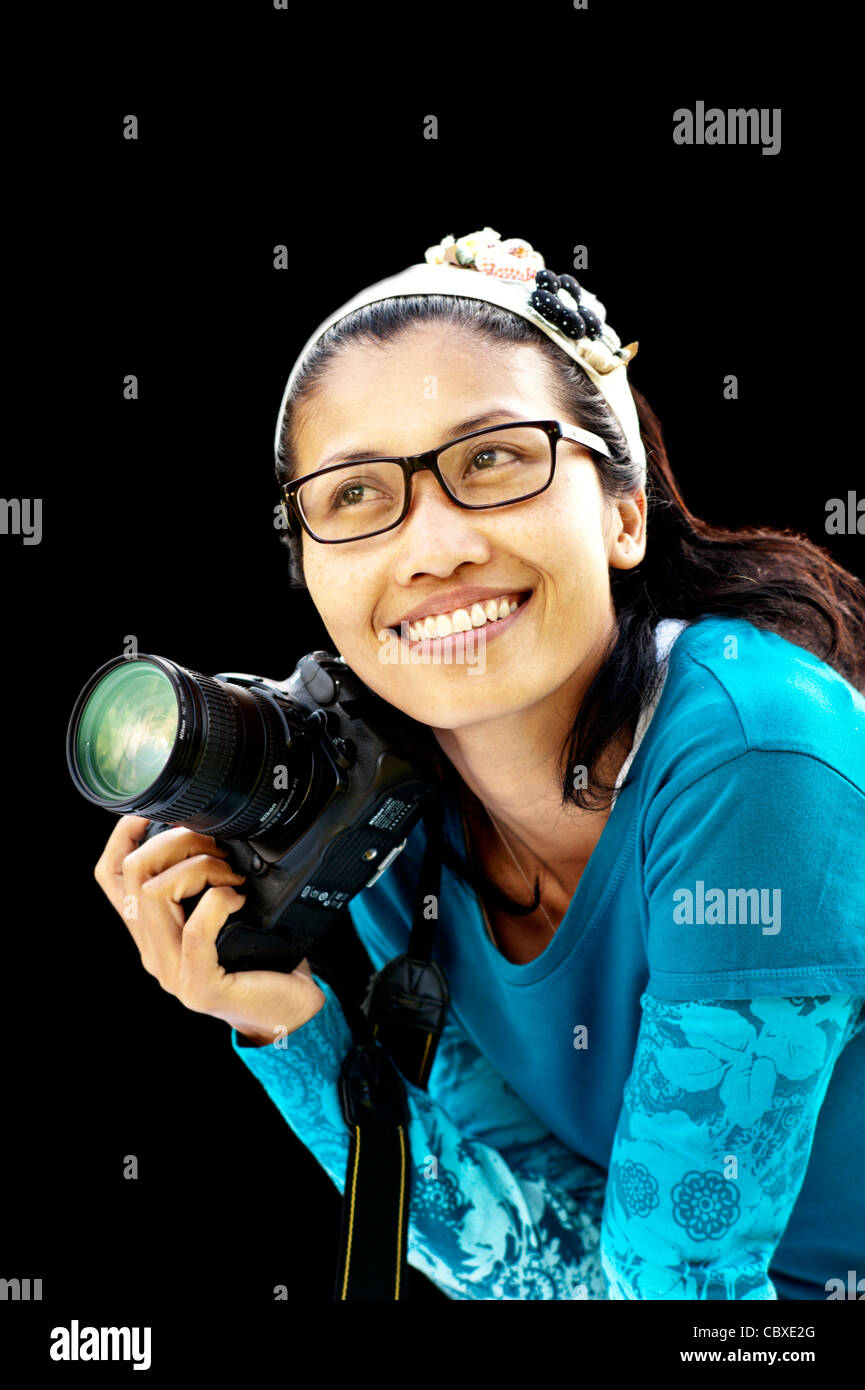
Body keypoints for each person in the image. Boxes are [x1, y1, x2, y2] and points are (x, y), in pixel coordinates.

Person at [93, 228, 865, 1300]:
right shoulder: (391, 812)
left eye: (493, 458)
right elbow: (538, 1244)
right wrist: (279, 1016)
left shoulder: (755, 750)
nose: (433, 544)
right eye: (356, 493)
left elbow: (679, 1291)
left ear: (623, 511)